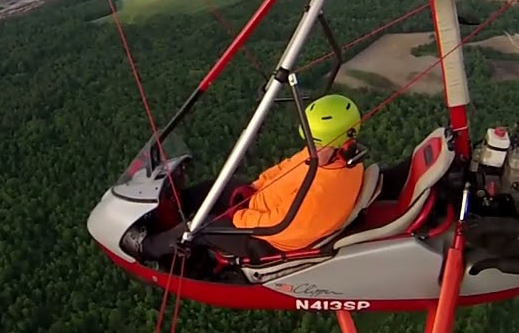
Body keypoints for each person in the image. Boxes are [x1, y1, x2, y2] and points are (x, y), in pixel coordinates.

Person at [127, 94, 367, 261]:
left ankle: (147, 247)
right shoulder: (327, 157)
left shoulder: (325, 190)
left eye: (317, 144)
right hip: (260, 206)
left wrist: (238, 216)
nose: (310, 149)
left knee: (199, 227)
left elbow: (280, 226)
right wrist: (254, 187)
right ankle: (167, 214)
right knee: (217, 187)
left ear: (342, 144)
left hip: (265, 241)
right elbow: (285, 168)